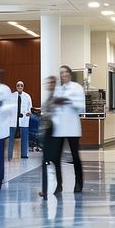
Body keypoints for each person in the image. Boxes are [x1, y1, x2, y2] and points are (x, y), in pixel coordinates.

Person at [52, 65, 86, 194]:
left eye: (65, 72)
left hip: (72, 127)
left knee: (75, 156)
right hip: (60, 128)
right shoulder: (58, 90)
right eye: (61, 72)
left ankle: (78, 183)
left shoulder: (77, 88)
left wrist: (68, 101)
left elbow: (81, 108)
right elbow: (54, 109)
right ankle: (59, 184)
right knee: (56, 157)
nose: (63, 74)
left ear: (70, 74)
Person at [37, 76, 58, 199]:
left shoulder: (56, 98)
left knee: (54, 161)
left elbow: (55, 114)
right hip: (47, 132)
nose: (49, 85)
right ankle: (45, 190)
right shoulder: (48, 97)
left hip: (54, 132)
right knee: (45, 161)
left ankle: (58, 185)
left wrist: (45, 115)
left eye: (51, 83)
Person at [7, 80, 33, 161]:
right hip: (13, 120)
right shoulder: (11, 96)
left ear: (23, 87)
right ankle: (9, 154)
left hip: (24, 119)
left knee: (24, 137)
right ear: (16, 87)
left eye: (21, 85)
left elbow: (30, 107)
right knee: (11, 138)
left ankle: (24, 154)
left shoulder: (27, 96)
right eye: (18, 85)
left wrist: (29, 112)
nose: (20, 87)